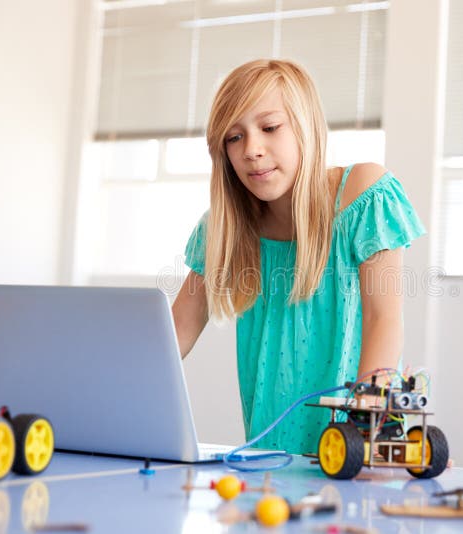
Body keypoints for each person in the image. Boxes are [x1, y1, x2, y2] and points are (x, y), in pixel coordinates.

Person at [171, 58, 426, 454]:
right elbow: (172, 338)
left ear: (304, 127)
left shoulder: (364, 193)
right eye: (233, 137)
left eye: (270, 127)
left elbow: (384, 319)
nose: (251, 150)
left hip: (353, 448)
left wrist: (363, 428)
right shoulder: (224, 227)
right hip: (269, 455)